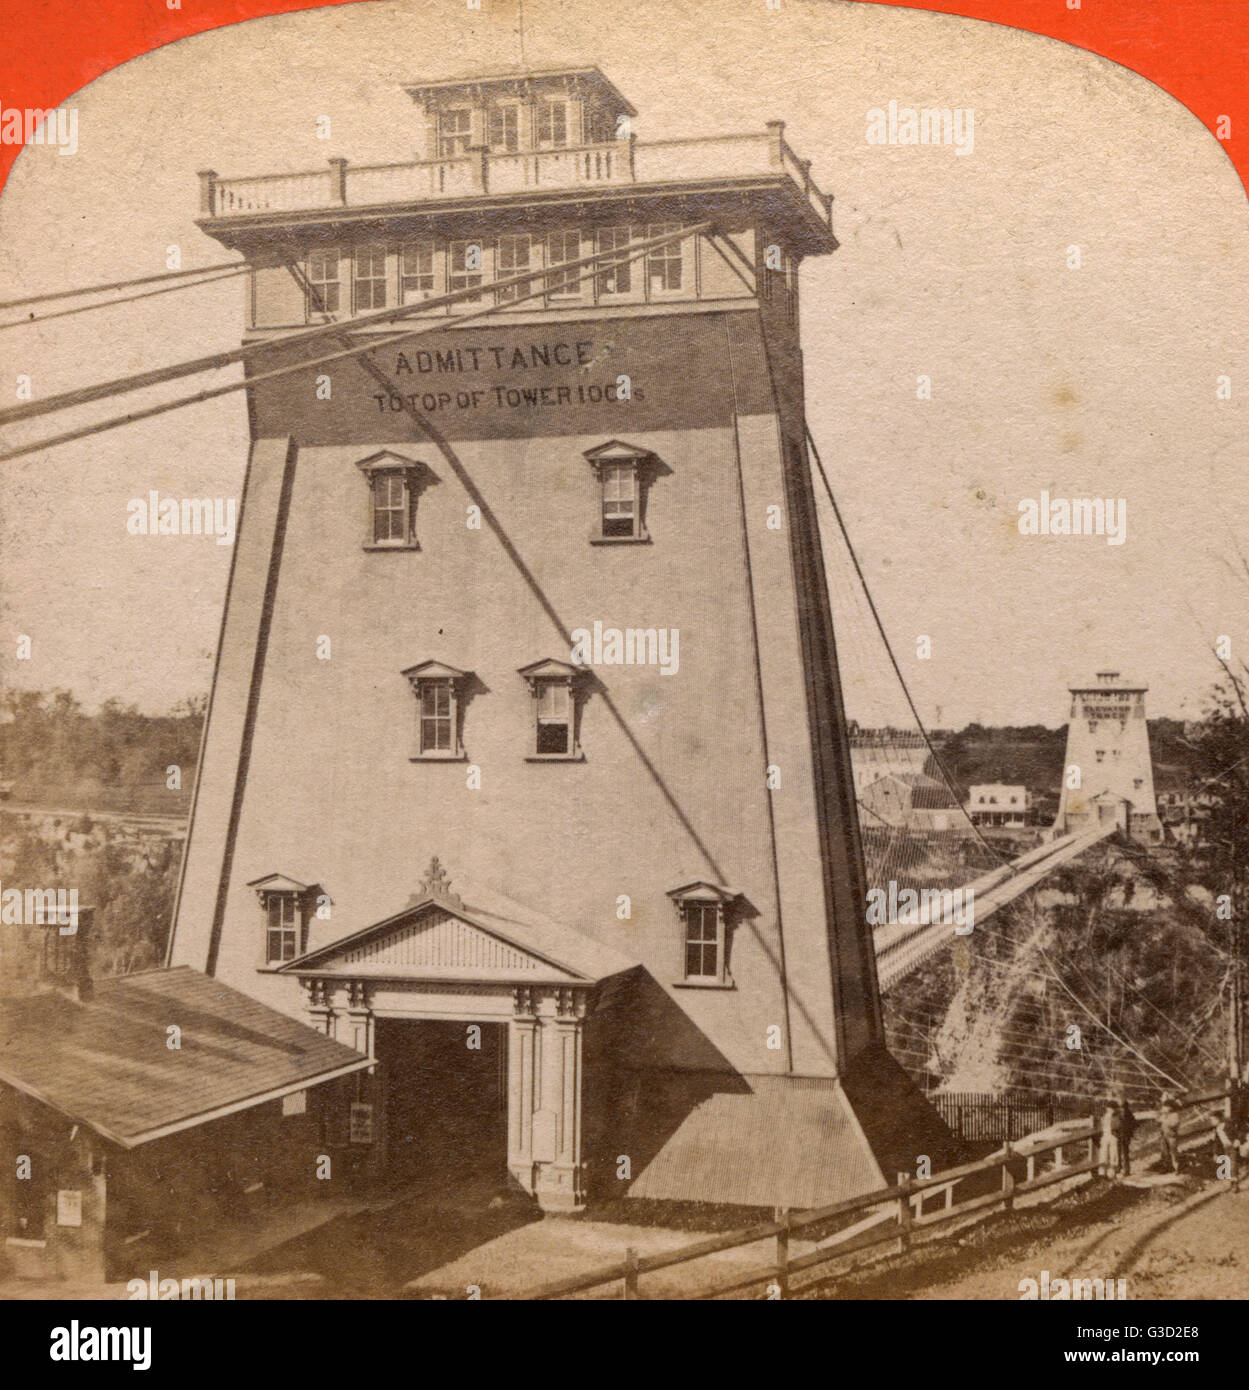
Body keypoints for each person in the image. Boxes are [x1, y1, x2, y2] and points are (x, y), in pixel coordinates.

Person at [1158, 1092, 1181, 1174]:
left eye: (1166, 1107)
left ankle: (1176, 1168)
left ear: (1170, 1108)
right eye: (1164, 1107)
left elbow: (1174, 1124)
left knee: (1173, 1152)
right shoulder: (1164, 1115)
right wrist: (1160, 1119)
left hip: (1172, 1136)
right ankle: (1166, 1166)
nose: (1164, 1109)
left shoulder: (1175, 1115)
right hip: (1164, 1136)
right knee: (1164, 1152)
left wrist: (1165, 1121)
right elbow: (1158, 1121)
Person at [1099, 1099, 1122, 1178]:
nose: (1111, 1110)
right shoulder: (1104, 1116)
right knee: (1104, 1153)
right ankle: (1102, 1171)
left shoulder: (1116, 1117)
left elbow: (1118, 1126)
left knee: (1113, 1153)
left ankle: (1111, 1172)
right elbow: (1101, 1125)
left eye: (1113, 1108)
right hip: (1105, 1135)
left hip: (1113, 1136)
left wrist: (1115, 1130)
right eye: (1109, 1108)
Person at [1119, 1090, 1137, 1178]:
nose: (1122, 1109)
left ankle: (1126, 1170)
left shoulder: (1128, 1114)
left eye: (1123, 1107)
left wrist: (1130, 1133)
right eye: (1121, 1107)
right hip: (1120, 1136)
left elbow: (1134, 1124)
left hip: (1124, 1136)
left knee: (1124, 1153)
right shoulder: (1120, 1114)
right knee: (1121, 1153)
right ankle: (1122, 1169)